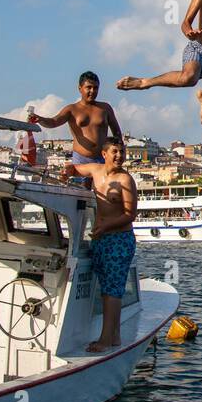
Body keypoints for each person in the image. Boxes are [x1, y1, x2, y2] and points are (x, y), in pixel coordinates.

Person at [70, 138, 137, 352]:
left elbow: (129, 215)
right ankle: (114, 336)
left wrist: (106, 225)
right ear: (104, 154)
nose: (120, 156)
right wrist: (66, 171)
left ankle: (105, 339)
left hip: (118, 240)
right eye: (115, 151)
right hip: (102, 238)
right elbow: (75, 168)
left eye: (122, 152)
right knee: (107, 289)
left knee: (112, 290)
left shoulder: (126, 180)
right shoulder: (95, 170)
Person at [28, 71, 123, 179]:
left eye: (96, 88)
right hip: (81, 160)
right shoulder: (72, 109)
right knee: (80, 191)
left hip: (102, 158)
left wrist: (119, 153)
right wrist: (40, 119)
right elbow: (54, 122)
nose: (92, 91)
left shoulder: (105, 108)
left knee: (103, 192)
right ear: (80, 88)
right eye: (89, 87)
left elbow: (117, 132)